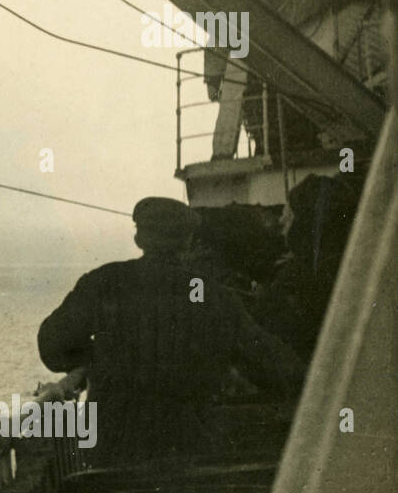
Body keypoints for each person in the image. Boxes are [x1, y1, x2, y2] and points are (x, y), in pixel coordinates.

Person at [38, 197, 303, 469]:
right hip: (188, 451)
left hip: (113, 452)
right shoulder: (211, 295)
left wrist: (96, 357)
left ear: (139, 238)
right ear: (188, 241)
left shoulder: (104, 282)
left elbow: (51, 347)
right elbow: (273, 366)